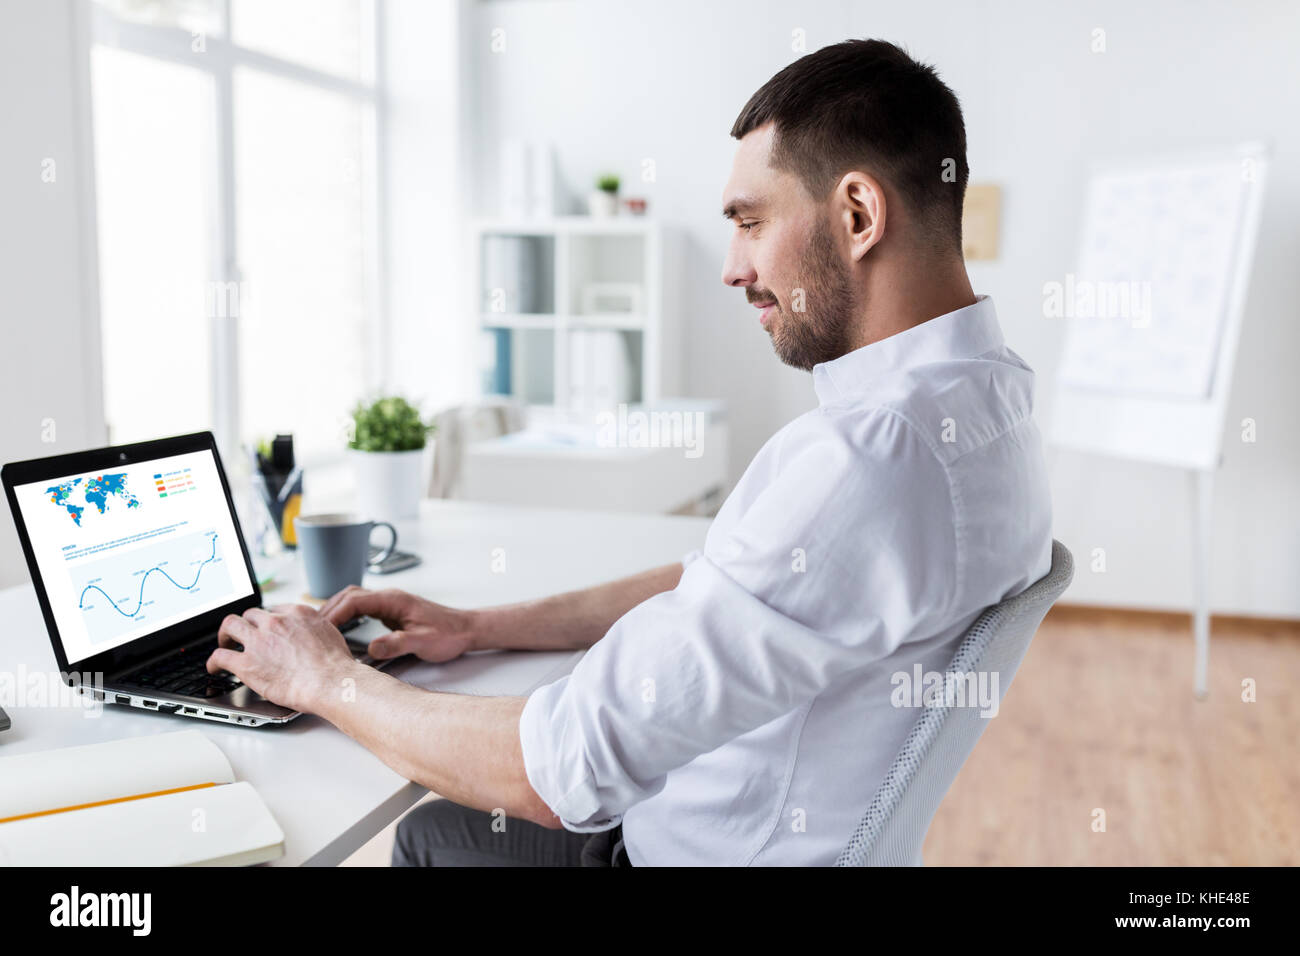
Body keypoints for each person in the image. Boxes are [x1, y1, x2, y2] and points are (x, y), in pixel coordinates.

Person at [208, 38, 1052, 866]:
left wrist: (326, 681)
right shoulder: (990, 396)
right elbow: (728, 583)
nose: (734, 268)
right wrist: (480, 626)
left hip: (671, 848)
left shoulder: (870, 457)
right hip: (725, 823)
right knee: (437, 830)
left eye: (752, 223)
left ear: (859, 215)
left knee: (429, 830)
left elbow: (554, 770)